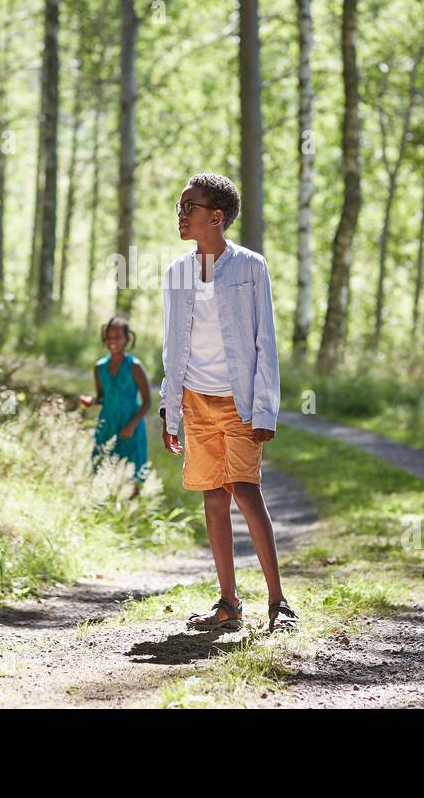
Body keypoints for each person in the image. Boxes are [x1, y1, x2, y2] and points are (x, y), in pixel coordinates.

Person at [158, 173, 298, 633]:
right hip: (196, 401)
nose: (180, 215)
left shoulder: (250, 267)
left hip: (240, 401)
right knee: (214, 498)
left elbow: (266, 342)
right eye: (180, 207)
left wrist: (265, 409)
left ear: (216, 217)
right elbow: (172, 345)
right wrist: (170, 408)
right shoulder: (176, 273)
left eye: (189, 208)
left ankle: (279, 603)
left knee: (246, 491)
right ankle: (229, 604)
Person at [80, 316, 151, 498]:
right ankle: (103, 508)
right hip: (108, 423)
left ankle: (129, 515)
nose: (113, 341)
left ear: (127, 339)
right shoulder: (100, 367)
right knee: (103, 466)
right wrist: (91, 401)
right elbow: (103, 397)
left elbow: (147, 402)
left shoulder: (134, 367)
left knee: (130, 472)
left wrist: (132, 425)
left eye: (117, 337)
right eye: (109, 337)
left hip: (129, 426)